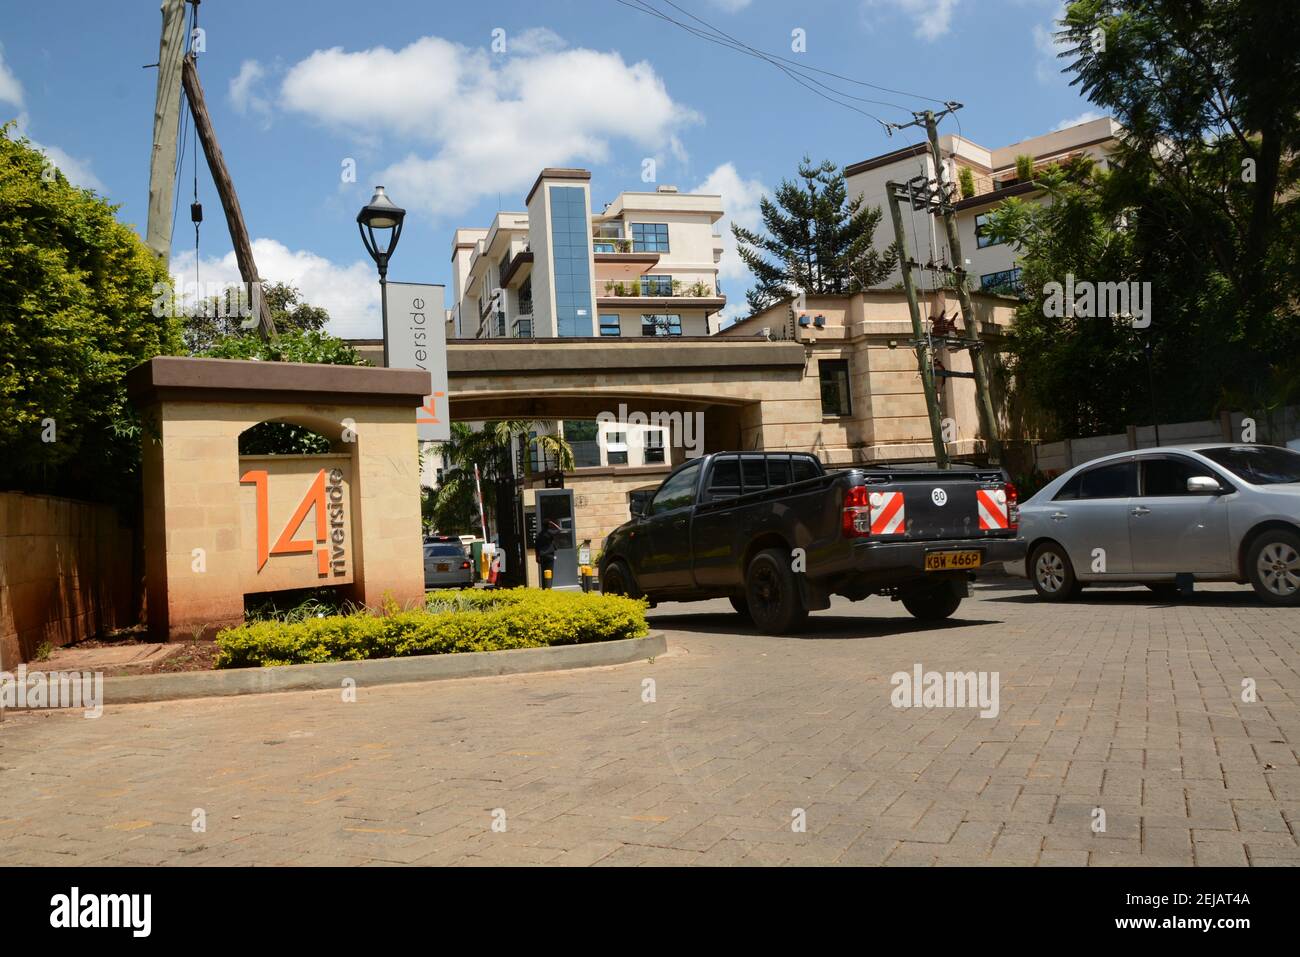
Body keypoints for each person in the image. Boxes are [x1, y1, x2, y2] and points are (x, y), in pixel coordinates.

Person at [535, 520, 559, 588]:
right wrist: (553, 523)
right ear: (549, 525)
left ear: (542, 526)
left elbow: (536, 547)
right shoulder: (550, 532)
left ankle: (544, 587)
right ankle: (548, 587)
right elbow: (559, 530)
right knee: (550, 571)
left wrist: (537, 557)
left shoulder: (539, 535)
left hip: (542, 556)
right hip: (550, 555)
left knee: (543, 572)